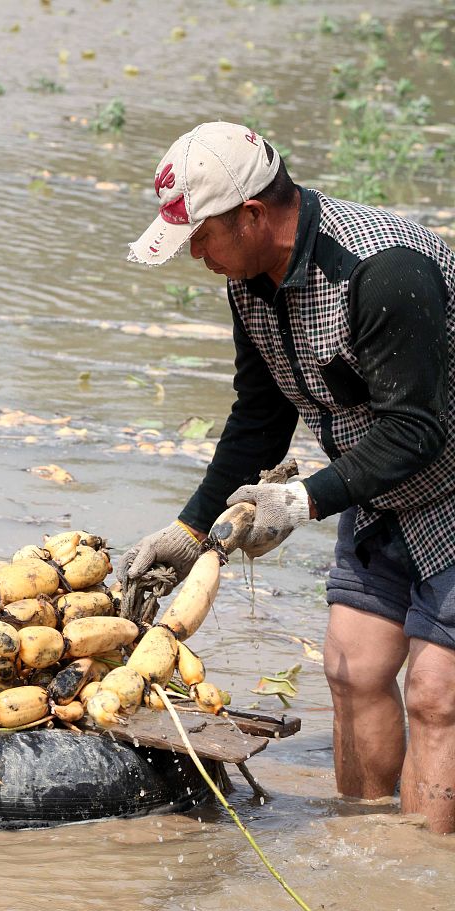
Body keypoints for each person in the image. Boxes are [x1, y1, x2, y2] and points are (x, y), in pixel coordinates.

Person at [120, 120, 455, 834]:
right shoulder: (250, 281)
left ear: (251, 215)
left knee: (436, 695)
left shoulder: (382, 271)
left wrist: (299, 502)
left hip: (446, 480)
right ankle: (365, 847)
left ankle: (423, 867)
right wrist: (189, 531)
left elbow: (417, 430)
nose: (196, 255)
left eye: (201, 237)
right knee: (351, 669)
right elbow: (260, 415)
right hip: (382, 488)